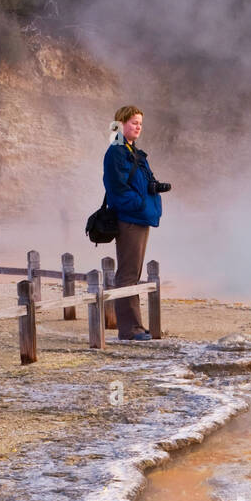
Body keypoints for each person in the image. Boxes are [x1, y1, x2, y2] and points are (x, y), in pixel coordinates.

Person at [102, 105, 170, 340]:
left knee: (133, 272)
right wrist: (139, 203)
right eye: (133, 122)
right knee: (128, 274)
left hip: (140, 217)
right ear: (120, 124)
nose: (138, 126)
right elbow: (117, 188)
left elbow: (137, 183)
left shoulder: (132, 151)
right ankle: (129, 329)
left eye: (140, 123)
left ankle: (136, 326)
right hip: (130, 218)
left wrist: (153, 189)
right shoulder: (117, 151)